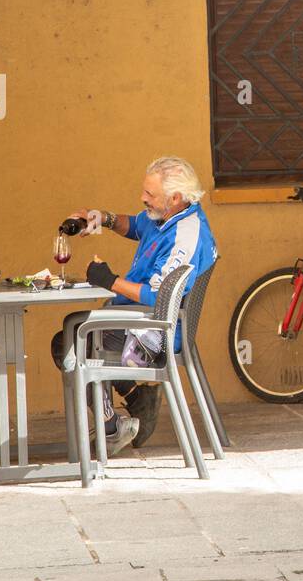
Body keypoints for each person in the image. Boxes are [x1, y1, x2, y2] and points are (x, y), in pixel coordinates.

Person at [51, 156, 217, 455]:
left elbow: (161, 296)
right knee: (74, 336)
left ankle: (112, 428)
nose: (143, 199)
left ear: (176, 197)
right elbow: (135, 226)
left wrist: (110, 280)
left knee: (74, 342)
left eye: (150, 195)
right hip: (135, 318)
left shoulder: (186, 235)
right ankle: (136, 398)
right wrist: (104, 218)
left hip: (153, 331)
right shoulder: (166, 216)